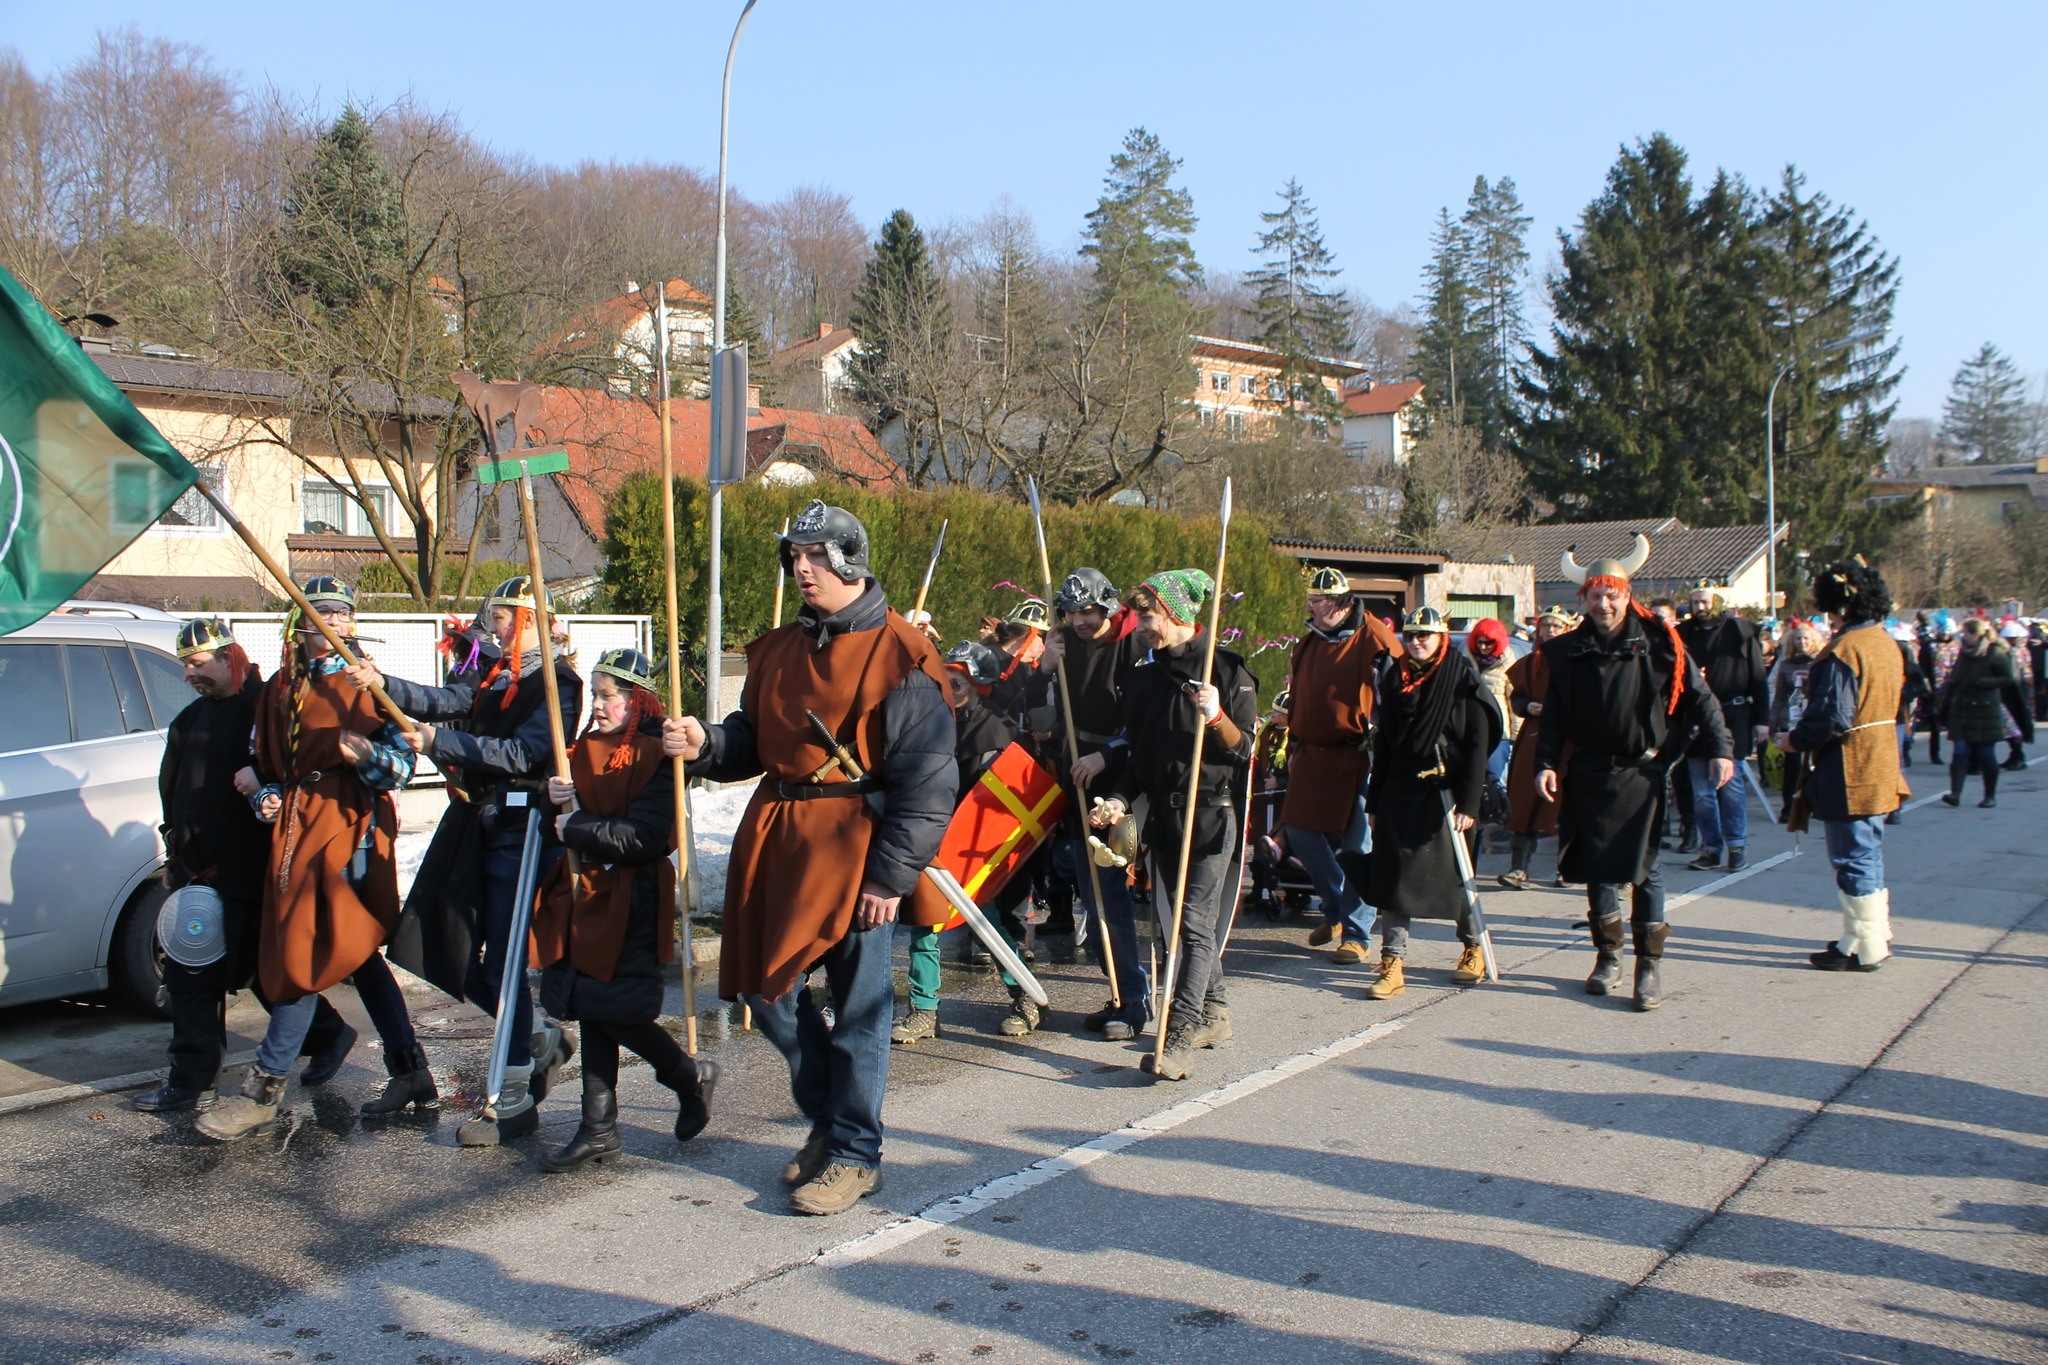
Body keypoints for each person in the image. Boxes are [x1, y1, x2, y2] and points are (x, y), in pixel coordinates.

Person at [665, 500, 956, 1216]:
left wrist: (892, 874)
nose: (801, 566)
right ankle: (833, 1124)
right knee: (769, 995)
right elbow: (752, 740)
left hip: (857, 843)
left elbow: (927, 778)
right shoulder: (779, 649)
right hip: (778, 837)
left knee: (860, 1009)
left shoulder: (901, 655)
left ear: (850, 558)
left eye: (816, 554)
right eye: (794, 554)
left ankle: (855, 1153)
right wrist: (705, 743)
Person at [197, 581, 435, 1140]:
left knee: (308, 945)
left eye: (344, 615)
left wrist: (370, 754)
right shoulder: (279, 688)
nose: (335, 624)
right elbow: (265, 765)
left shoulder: (367, 685)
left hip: (349, 829)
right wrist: (264, 792)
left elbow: (404, 768)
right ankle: (411, 1070)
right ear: (300, 625)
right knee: (352, 954)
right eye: (322, 613)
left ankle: (264, 1089)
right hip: (296, 828)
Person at [350, 576, 583, 1145]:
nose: (492, 625)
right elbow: (445, 701)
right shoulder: (492, 673)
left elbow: (524, 752)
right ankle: (536, 1041)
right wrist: (382, 683)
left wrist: (440, 745)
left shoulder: (561, 684)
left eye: (503, 617)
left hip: (524, 827)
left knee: (503, 966)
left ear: (529, 621)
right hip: (477, 823)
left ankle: (512, 1099)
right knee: (446, 948)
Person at [136, 618, 353, 1113]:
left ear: (229, 656)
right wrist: (176, 857)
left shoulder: (269, 709)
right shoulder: (188, 721)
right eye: (186, 666)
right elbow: (175, 793)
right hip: (198, 873)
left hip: (254, 869)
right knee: (192, 973)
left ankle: (328, 1034)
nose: (190, 675)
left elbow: (294, 774)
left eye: (197, 664)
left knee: (260, 971)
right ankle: (190, 1080)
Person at [526, 649, 716, 1172]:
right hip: (582, 891)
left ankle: (686, 1075)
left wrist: (576, 826)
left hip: (631, 895)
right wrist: (555, 800)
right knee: (591, 1007)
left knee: (619, 1011)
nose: (599, 705)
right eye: (595, 695)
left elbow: (650, 837)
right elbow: (559, 828)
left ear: (638, 700)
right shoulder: (580, 749)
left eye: (608, 696)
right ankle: (599, 1129)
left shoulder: (657, 753)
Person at [1535, 538, 1733, 1012]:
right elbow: (1555, 715)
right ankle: (1608, 958)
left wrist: (1722, 747)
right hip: (1587, 772)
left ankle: (1649, 965)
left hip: (1642, 773)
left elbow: (1700, 697)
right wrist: (1544, 762)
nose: (1603, 604)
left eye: (1612, 595)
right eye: (1595, 596)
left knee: (1646, 871)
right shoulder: (1566, 651)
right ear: (1582, 599)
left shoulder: (1661, 641)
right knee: (1598, 870)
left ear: (1627, 595)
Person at [1087, 569, 1258, 1082]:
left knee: (1193, 926)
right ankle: (1216, 1011)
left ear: (1180, 617)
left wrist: (1215, 715)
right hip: (1162, 813)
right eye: (1139, 616)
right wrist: (1117, 800)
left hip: (1211, 813)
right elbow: (1139, 759)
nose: (1141, 626)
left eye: (1150, 616)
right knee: (1170, 924)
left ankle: (1179, 1032)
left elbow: (1245, 749)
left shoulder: (1226, 670)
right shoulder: (1142, 677)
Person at [892, 641, 1039, 1044]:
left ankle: (1024, 995)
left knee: (986, 923)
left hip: (968, 848)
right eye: (944, 681)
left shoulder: (995, 733)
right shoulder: (930, 719)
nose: (948, 690)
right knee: (922, 921)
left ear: (977, 686)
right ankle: (923, 1008)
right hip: (926, 838)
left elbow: (990, 805)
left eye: (955, 683)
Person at [1360, 608, 1502, 999]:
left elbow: (1476, 747)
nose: (1416, 641)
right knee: (1392, 879)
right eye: (1410, 635)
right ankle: (1393, 963)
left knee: (1455, 876)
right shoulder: (1395, 678)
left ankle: (1472, 947)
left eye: (1425, 635)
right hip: (1399, 791)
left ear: (1442, 637)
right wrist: (1374, 803)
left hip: (1447, 794)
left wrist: (1469, 805)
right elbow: (1385, 745)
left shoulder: (1461, 679)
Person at [1776, 562, 1911, 972]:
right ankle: (1862, 935)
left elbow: (1833, 714)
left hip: (1852, 763)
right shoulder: (1884, 641)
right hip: (1879, 756)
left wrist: (1794, 740)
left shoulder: (1846, 649)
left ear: (1837, 604)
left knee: (1853, 855)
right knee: (1866, 852)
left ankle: (1869, 945)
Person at [1038, 568, 1150, 1039]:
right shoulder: (1060, 641)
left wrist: (1107, 756)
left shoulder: (1132, 645)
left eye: (1088, 611)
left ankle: (1134, 1002)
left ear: (1106, 606)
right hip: (1073, 778)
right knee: (1092, 895)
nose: (1080, 621)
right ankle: (1120, 995)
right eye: (1072, 611)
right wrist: (1043, 669)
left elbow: (1144, 720)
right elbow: (1036, 713)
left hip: (1120, 782)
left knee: (1112, 894)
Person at [1280, 567, 1402, 966]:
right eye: (1311, 602)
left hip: (1359, 756)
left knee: (1358, 846)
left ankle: (1356, 933)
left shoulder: (1376, 639)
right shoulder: (1310, 641)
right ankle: (1334, 909)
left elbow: (1399, 696)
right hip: (1313, 754)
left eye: (1321, 602)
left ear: (1343, 602)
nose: (1314, 610)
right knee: (1300, 832)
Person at [1678, 583, 1770, 871]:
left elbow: (1758, 678)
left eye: (1704, 602)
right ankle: (1711, 848)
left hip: (1735, 715)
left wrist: (1761, 720)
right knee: (1703, 793)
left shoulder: (1740, 632)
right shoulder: (1684, 635)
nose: (1700, 608)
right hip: (1696, 718)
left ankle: (1737, 846)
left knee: (1731, 787)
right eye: (1695, 602)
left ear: (1716, 602)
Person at [1498, 605, 1573, 890]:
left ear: (1567, 630)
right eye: (1546, 626)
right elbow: (1517, 698)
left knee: (1567, 804)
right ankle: (1519, 869)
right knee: (1524, 801)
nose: (1550, 631)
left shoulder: (1577, 661)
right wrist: (1528, 705)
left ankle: (1566, 869)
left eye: (1556, 626)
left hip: (1568, 741)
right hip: (1534, 737)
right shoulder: (1531, 662)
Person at [1938, 618, 2020, 809]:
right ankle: (1955, 793)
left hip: (1985, 710)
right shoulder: (1964, 653)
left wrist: (1984, 683)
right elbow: (1957, 675)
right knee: (1960, 752)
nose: (1962, 636)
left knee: (1986, 754)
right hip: (1963, 710)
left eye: (1965, 633)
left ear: (1975, 634)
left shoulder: (1994, 652)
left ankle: (1989, 796)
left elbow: (2007, 678)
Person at [1766, 621, 1829, 823]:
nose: (1802, 642)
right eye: (1798, 639)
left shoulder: (1820, 663)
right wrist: (1772, 723)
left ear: (1813, 641)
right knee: (1792, 767)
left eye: (1806, 639)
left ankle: (1816, 802)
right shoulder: (1785, 664)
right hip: (1791, 720)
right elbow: (1779, 697)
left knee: (1816, 763)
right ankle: (1789, 806)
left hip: (1814, 718)